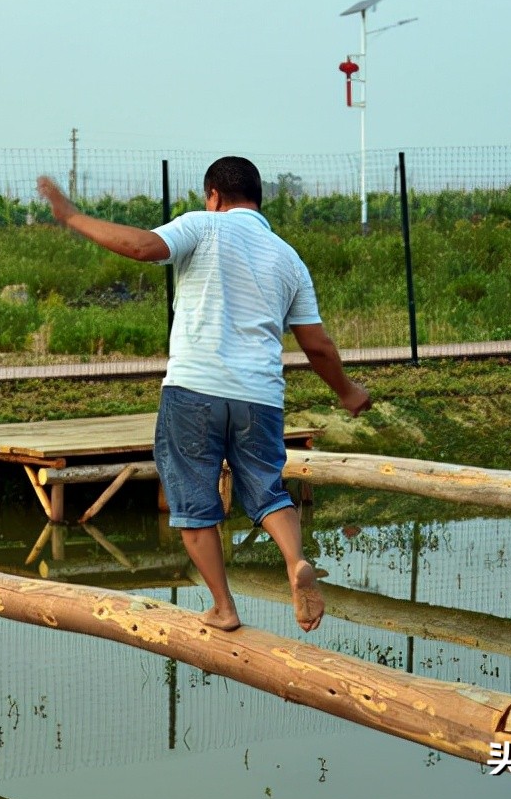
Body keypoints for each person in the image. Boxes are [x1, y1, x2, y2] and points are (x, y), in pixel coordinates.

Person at [36, 156, 371, 632]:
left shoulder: (204, 226)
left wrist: (71, 217)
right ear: (257, 198)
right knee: (268, 491)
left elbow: (142, 247)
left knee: (193, 501)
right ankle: (295, 560)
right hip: (260, 396)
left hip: (195, 389)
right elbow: (316, 344)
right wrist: (348, 391)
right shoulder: (287, 257)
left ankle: (223, 607)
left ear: (214, 196)